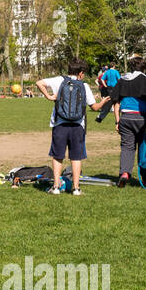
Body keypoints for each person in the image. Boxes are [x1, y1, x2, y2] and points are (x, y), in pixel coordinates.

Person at [35, 58, 103, 196]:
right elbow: (94, 107)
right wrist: (104, 102)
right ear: (81, 73)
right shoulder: (84, 86)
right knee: (76, 157)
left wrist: (49, 96)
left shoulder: (59, 80)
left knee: (57, 155)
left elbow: (39, 83)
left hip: (60, 124)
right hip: (78, 125)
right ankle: (76, 188)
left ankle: (56, 187)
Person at [100, 55, 146, 188]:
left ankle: (124, 173)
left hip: (125, 118)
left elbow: (116, 101)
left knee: (127, 147)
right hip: (142, 117)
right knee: (143, 147)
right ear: (144, 68)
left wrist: (117, 121)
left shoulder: (122, 80)